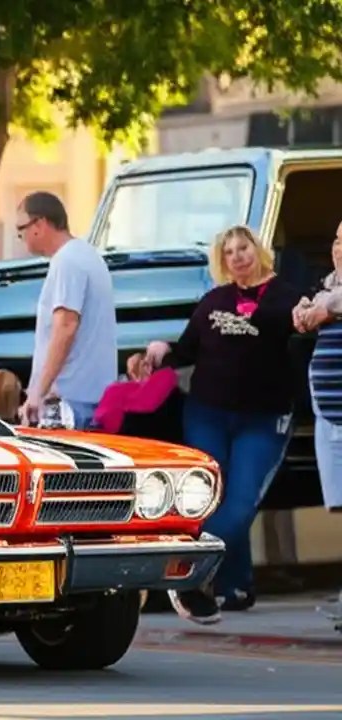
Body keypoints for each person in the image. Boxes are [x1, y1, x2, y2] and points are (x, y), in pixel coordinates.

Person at [144, 224, 300, 624]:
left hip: (263, 418)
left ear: (257, 249)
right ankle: (235, 586)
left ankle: (190, 577)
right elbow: (185, 351)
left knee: (240, 502)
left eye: (243, 247)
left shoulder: (286, 297)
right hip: (207, 413)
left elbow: (305, 341)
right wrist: (159, 352)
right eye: (228, 251)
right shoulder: (214, 300)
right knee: (210, 497)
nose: (237, 256)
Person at [16, 191, 117, 429]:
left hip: (70, 405)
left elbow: (66, 327)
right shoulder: (86, 255)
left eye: (21, 229)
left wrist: (37, 393)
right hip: (90, 401)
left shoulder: (67, 261)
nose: (21, 237)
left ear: (39, 224)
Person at [289, 218, 342, 629]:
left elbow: (329, 305)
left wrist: (321, 308)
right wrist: (310, 308)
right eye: (338, 241)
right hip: (329, 417)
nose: (339, 248)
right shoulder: (327, 288)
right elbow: (313, 308)